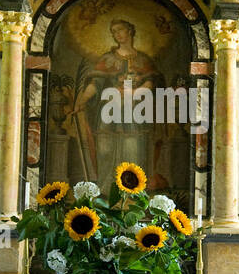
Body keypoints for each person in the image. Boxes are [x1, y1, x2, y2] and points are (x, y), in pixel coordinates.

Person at [65, 18, 164, 183]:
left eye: (120, 30)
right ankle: (106, 190)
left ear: (130, 31)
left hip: (135, 113)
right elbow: (95, 83)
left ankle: (133, 192)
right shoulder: (108, 59)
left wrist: (133, 93)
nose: (117, 34)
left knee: (133, 149)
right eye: (114, 32)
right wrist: (82, 100)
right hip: (110, 112)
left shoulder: (143, 60)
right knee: (106, 150)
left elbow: (151, 82)